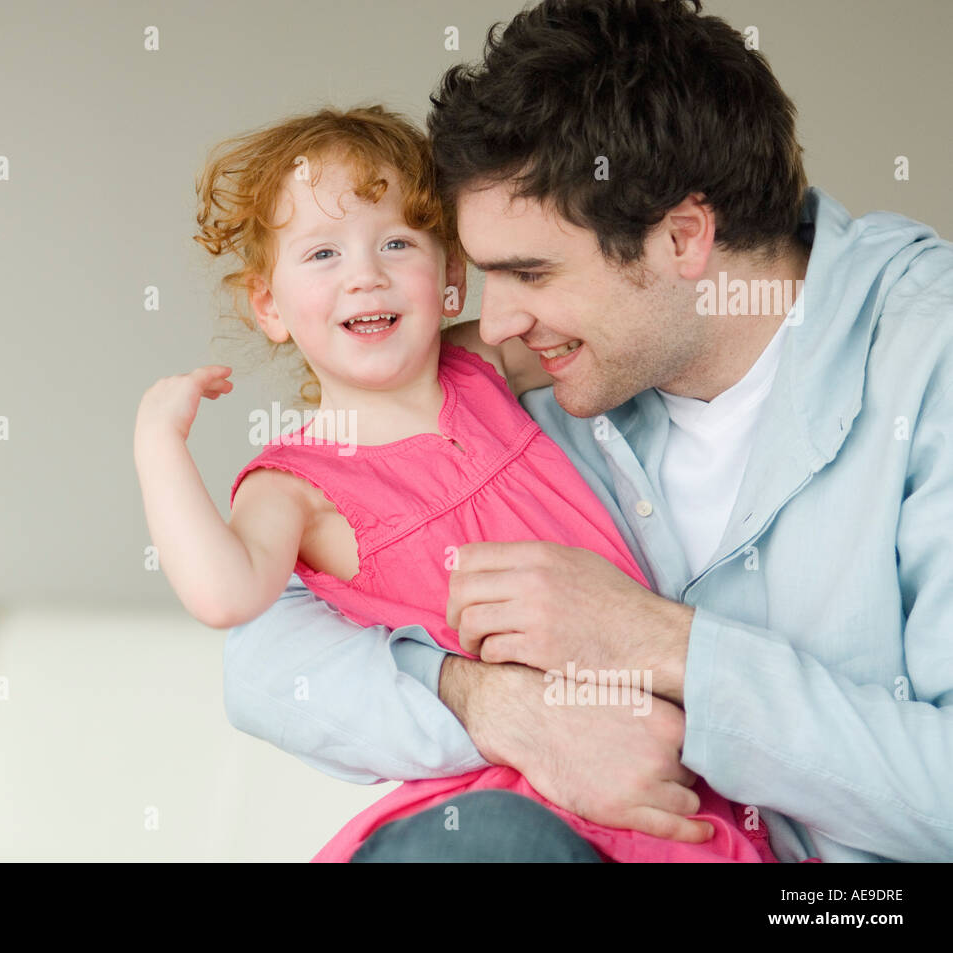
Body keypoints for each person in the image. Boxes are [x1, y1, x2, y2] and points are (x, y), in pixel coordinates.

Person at [224, 0, 953, 863]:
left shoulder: (927, 360)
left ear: (684, 237)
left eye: (530, 272)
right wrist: (494, 704)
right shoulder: (552, 376)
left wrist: (662, 647)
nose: (494, 325)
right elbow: (264, 660)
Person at [134, 103, 775, 861]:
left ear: (449, 280)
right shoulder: (296, 486)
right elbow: (224, 595)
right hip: (507, 781)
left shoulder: (486, 364)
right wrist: (156, 443)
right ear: (269, 307)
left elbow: (624, 330)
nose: (365, 275)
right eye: (322, 255)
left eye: (398, 242)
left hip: (654, 745)